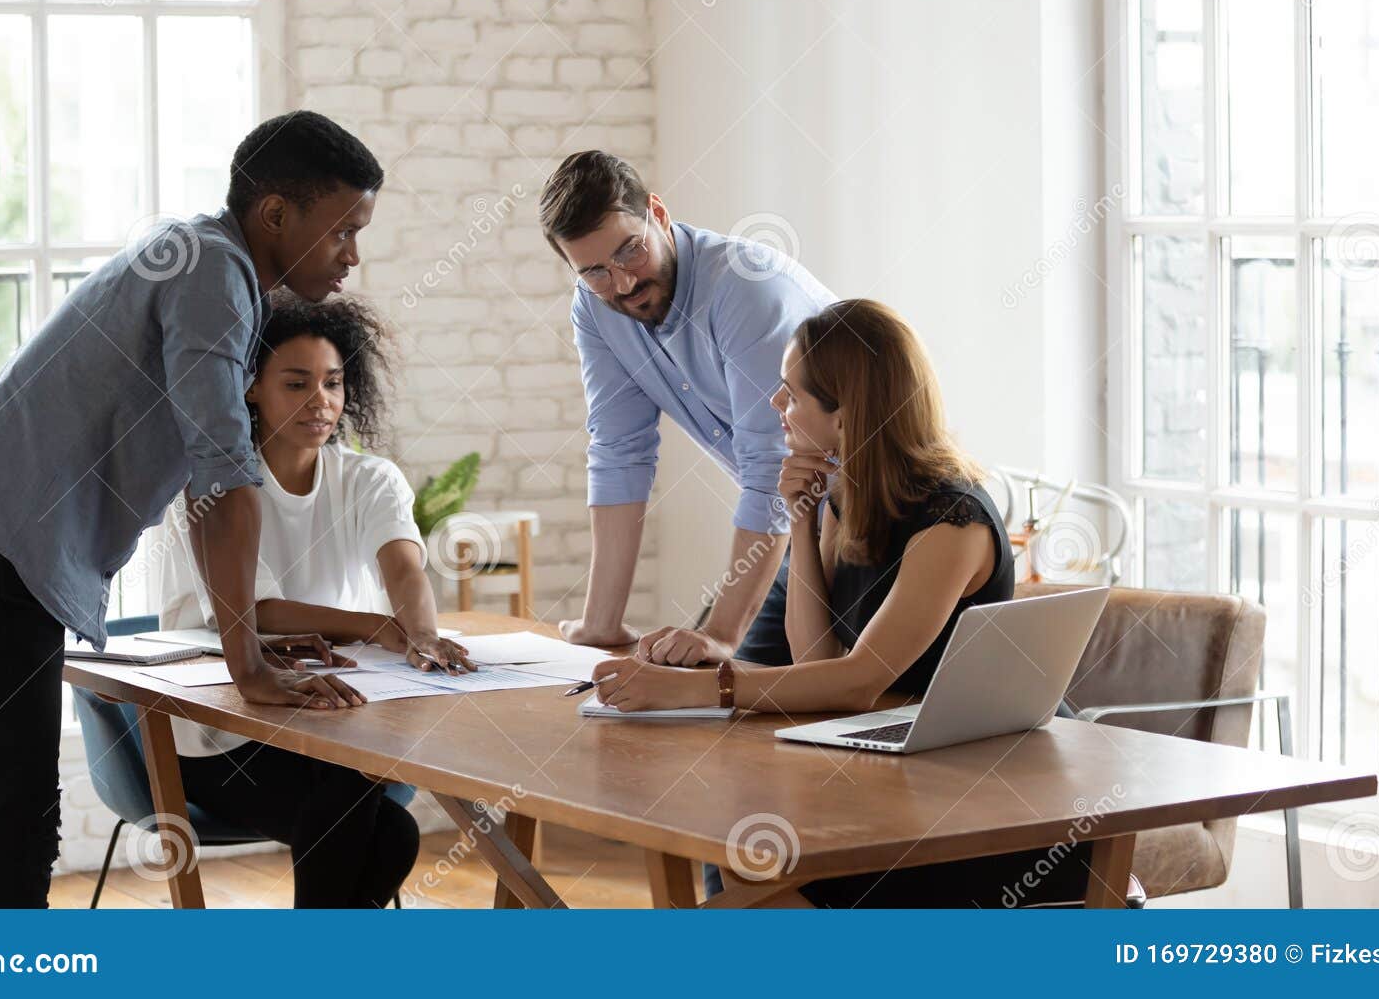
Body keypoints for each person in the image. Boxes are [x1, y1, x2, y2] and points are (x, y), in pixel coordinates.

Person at [0, 111, 380, 908]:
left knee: (2, 809)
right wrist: (246, 664)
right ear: (276, 214)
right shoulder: (215, 277)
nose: (352, 255)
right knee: (19, 820)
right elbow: (222, 482)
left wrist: (246, 643)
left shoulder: (204, 257)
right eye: (342, 230)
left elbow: (209, 478)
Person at [591, 299, 1092, 907]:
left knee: (750, 893)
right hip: (903, 780)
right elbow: (815, 661)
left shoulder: (952, 520)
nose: (776, 405)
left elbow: (856, 682)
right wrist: (800, 522)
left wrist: (693, 688)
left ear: (849, 413)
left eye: (792, 394)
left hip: (990, 809)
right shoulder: (842, 500)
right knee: (745, 866)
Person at [148, 292, 471, 907]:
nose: (319, 401)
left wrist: (421, 632)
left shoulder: (370, 479)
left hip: (331, 723)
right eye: (296, 383)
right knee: (371, 815)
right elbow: (254, 610)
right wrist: (376, 626)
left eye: (332, 383)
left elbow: (404, 566)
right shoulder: (210, 490)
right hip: (219, 740)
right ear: (251, 389)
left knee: (388, 827)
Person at [541, 150, 834, 669]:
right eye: (595, 272)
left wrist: (722, 633)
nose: (624, 285)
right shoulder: (595, 309)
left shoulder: (746, 288)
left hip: (884, 523)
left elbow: (772, 465)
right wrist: (601, 623)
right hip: (799, 531)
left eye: (630, 252)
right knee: (695, 683)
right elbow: (619, 452)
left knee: (789, 692)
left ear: (658, 213)